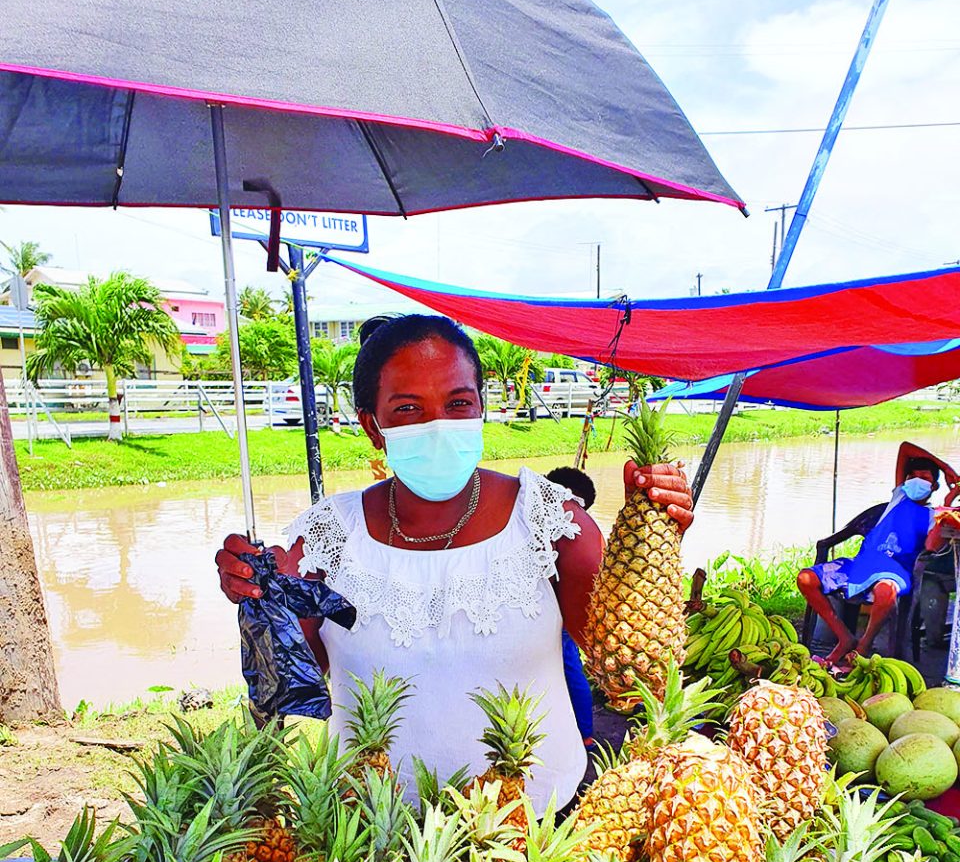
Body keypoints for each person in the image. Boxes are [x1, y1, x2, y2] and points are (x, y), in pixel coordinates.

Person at [216, 314, 693, 812]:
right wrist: (257, 597)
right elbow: (287, 682)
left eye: (458, 403)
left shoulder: (551, 523)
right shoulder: (326, 537)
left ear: (482, 407)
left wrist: (653, 540)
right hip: (370, 843)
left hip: (541, 836)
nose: (438, 425)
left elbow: (633, 673)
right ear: (372, 427)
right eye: (407, 409)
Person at [798, 444, 957, 667]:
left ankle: (863, 645)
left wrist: (948, 504)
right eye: (912, 476)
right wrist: (945, 466)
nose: (915, 481)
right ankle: (844, 637)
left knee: (885, 591)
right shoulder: (899, 496)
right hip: (861, 564)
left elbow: (931, 545)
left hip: (896, 570)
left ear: (934, 486)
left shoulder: (934, 516)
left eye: (923, 477)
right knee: (806, 579)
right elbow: (905, 449)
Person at [545, 466, 599, 751]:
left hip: (558, 613)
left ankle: (584, 732)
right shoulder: (586, 527)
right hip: (566, 611)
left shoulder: (564, 526)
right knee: (568, 666)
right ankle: (581, 730)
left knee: (569, 666)